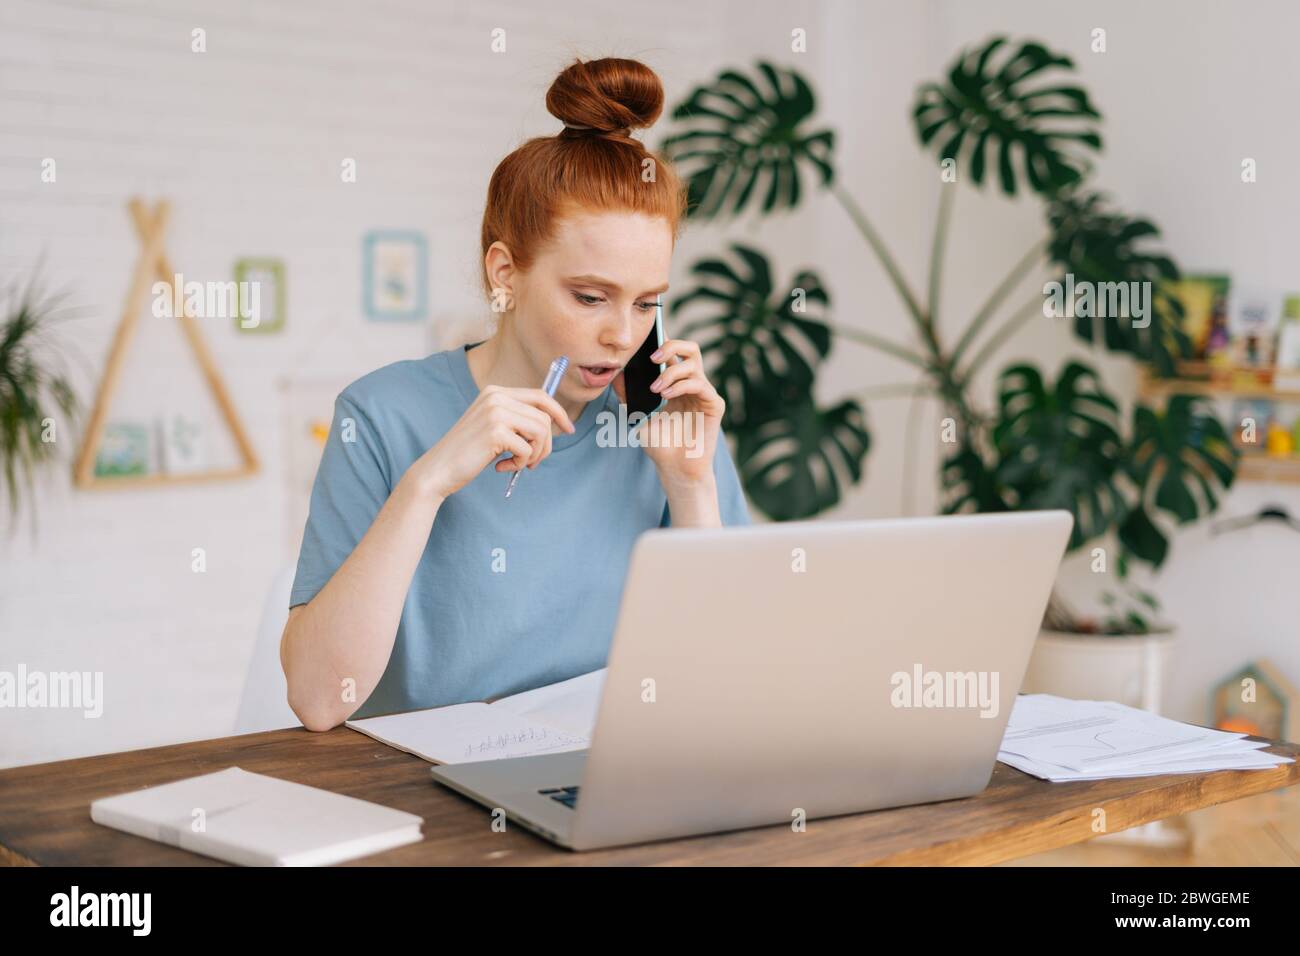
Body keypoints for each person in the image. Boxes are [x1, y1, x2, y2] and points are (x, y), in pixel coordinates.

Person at [280, 57, 750, 732]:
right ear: (505, 273)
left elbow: (729, 690)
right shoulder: (380, 415)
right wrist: (429, 483)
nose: (622, 335)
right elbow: (320, 700)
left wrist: (693, 488)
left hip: (607, 785)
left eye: (647, 303)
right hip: (424, 805)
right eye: (590, 297)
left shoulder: (672, 429)